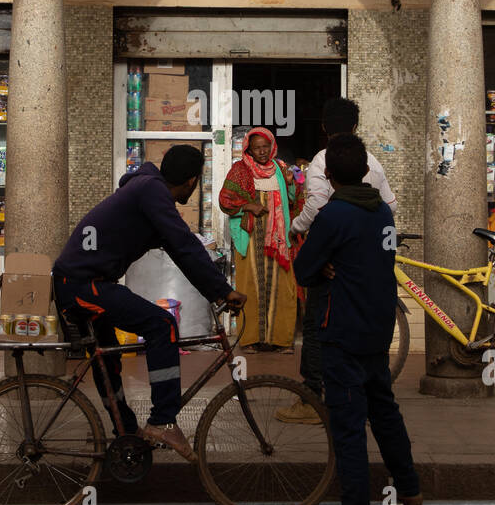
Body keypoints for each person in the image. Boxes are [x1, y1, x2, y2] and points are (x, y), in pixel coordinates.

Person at [53, 145, 246, 462]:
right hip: (82, 285)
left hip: (79, 283)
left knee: (108, 362)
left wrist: (218, 291)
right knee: (162, 324)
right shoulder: (151, 191)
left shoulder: (145, 191)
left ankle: (126, 435)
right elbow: (185, 244)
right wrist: (224, 292)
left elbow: (182, 252)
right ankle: (162, 421)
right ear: (192, 181)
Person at [293, 134, 421, 505]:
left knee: (349, 431)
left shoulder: (333, 215)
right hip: (378, 327)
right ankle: (410, 488)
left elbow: (304, 269)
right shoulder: (382, 211)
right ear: (367, 171)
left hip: (343, 331)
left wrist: (325, 265)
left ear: (328, 175)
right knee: (383, 409)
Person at [280, 97, 398, 423]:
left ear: (323, 127)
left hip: (334, 258)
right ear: (356, 126)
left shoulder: (323, 161)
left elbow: (317, 205)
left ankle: (312, 399)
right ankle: (361, 398)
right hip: (368, 264)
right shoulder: (372, 162)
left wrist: (296, 227)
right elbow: (390, 205)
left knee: (318, 326)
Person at [218, 127, 304, 352]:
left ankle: (282, 340)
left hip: (278, 240)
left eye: (266, 147)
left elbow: (293, 201)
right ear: (249, 149)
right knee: (250, 285)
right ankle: (249, 340)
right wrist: (248, 206)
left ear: (272, 147)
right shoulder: (240, 170)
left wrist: (291, 184)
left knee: (282, 286)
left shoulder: (281, 169)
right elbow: (225, 200)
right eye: (257, 148)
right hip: (250, 237)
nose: (262, 151)